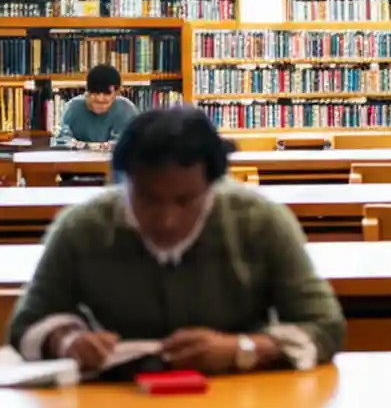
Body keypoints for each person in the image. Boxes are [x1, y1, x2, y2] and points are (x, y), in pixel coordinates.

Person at [6, 107, 346, 376]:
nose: (167, 219)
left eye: (185, 201)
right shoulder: (82, 227)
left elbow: (324, 326)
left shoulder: (261, 222)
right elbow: (27, 325)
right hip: (118, 402)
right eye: (149, 199)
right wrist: (66, 340)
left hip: (238, 395)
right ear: (121, 181)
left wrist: (244, 349)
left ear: (213, 184)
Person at [52, 64, 139, 149]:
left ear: (117, 92)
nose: (100, 98)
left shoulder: (127, 110)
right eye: (95, 93)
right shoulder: (73, 108)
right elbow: (60, 140)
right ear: (87, 91)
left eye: (106, 93)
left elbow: (136, 142)